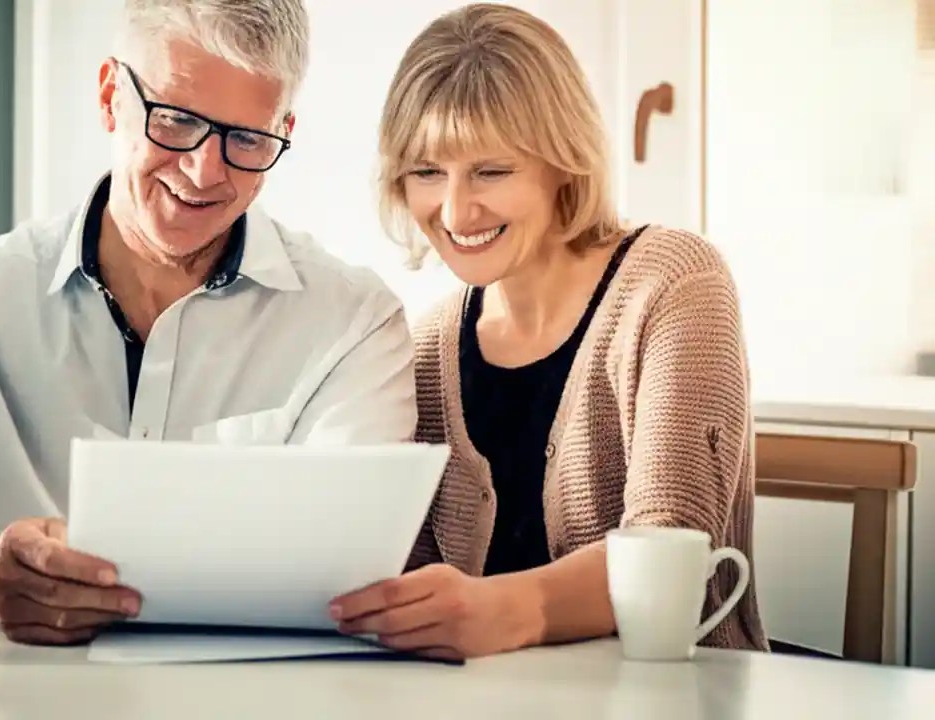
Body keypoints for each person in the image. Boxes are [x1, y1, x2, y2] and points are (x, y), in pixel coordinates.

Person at [0, 0, 417, 646]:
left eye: (246, 139)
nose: (205, 172)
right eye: (175, 120)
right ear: (109, 96)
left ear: (282, 130)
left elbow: (351, 577)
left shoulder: (353, 323)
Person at [329, 3, 768, 659]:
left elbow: (671, 549)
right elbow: (409, 580)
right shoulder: (425, 350)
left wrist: (504, 610)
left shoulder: (674, 285)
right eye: (427, 172)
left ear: (563, 161)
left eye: (491, 171)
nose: (453, 210)